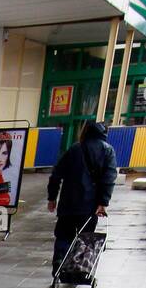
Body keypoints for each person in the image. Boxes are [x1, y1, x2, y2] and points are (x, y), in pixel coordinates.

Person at [47, 120, 117, 279]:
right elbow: (109, 178)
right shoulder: (108, 151)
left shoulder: (74, 149)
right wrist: (103, 203)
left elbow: (56, 175)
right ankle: (78, 269)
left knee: (63, 235)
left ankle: (59, 263)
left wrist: (52, 197)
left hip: (68, 203)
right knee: (86, 237)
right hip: (89, 205)